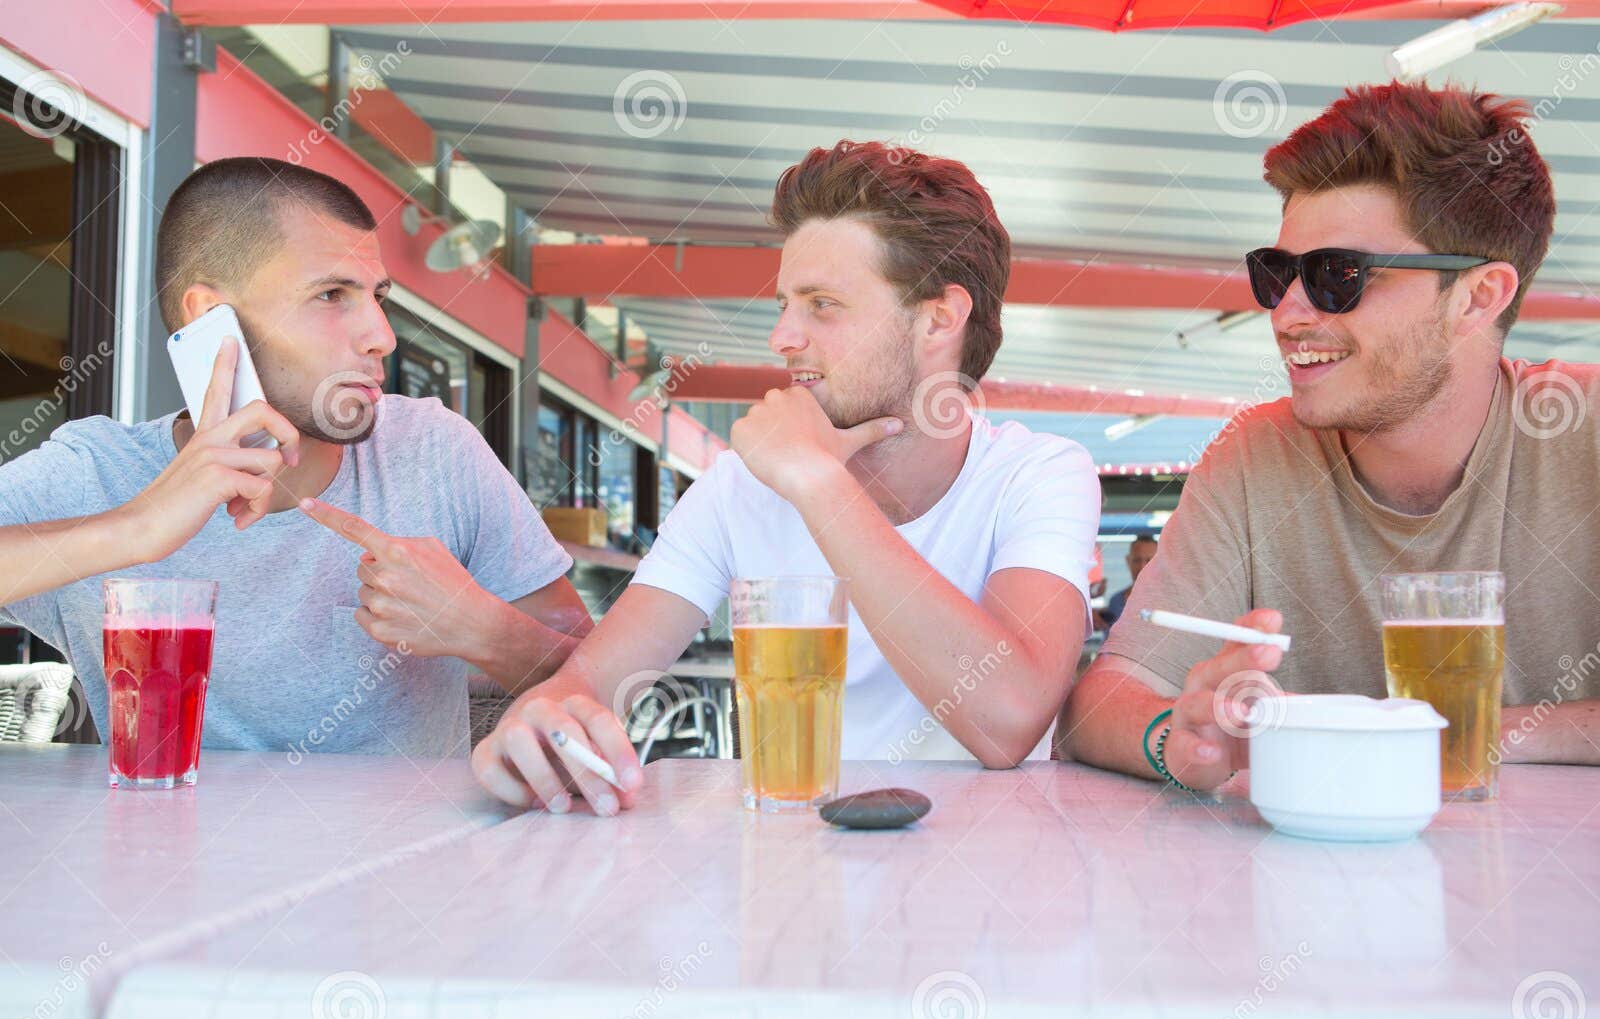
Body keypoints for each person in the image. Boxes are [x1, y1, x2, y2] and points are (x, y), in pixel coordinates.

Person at [473, 140, 1101, 816]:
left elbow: (1007, 719)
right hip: (789, 876)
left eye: (822, 304)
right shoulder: (735, 489)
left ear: (939, 320)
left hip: (991, 889)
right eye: (784, 304)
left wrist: (817, 481)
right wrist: (537, 726)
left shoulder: (1037, 474)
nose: (781, 336)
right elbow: (589, 684)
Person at [1062, 81, 1600, 789]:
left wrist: (1451, 736)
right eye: (1278, 273)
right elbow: (1103, 698)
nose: (1287, 313)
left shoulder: (1581, 431)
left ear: (1477, 297)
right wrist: (1178, 738)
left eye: (1337, 275)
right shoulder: (1254, 455)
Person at [0, 157, 590, 760]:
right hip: (162, 854)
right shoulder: (98, 474)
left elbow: (602, 687)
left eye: (378, 296)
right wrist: (137, 528)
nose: (381, 335)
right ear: (210, 318)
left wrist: (484, 629)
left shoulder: (433, 451)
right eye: (332, 294)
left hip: (416, 855)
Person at [1101, 535, 1158, 628]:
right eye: (1137, 560)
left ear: (1158, 563)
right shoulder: (1116, 601)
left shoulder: (1170, 601)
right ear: (1128, 561)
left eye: (1149, 560)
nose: (1142, 567)